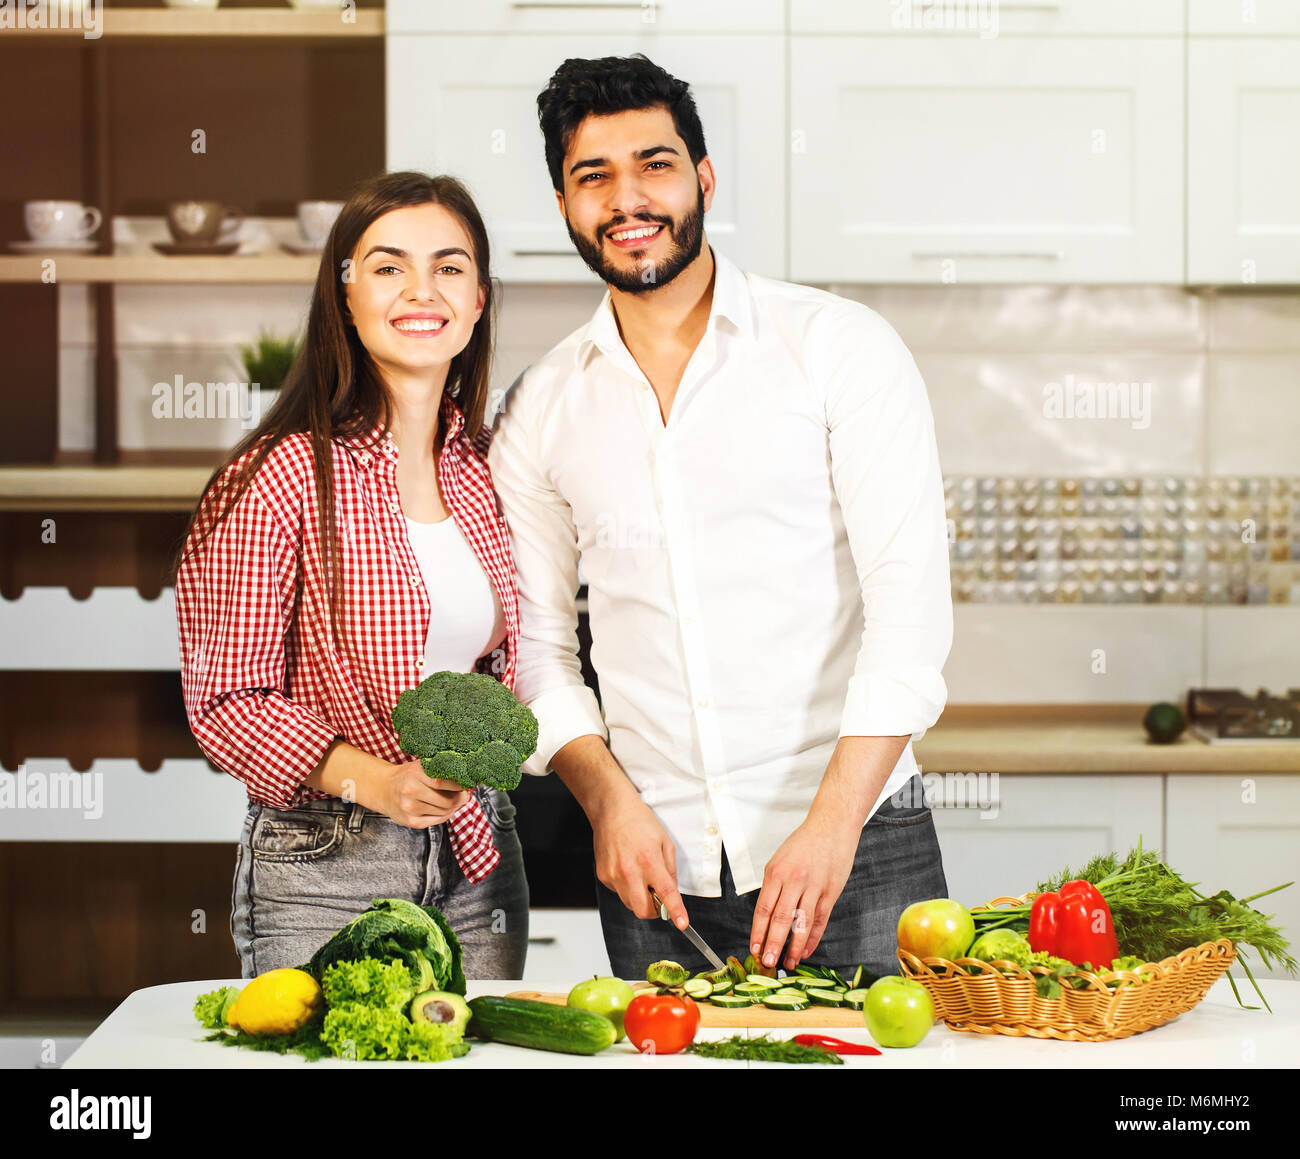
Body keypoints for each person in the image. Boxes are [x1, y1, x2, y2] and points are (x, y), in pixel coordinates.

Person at [487, 55, 953, 980]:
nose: (629, 199)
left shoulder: (836, 348)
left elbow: (910, 620)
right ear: (564, 203)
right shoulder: (540, 407)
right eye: (594, 176)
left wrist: (830, 827)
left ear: (702, 177)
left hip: (857, 842)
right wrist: (607, 799)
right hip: (654, 861)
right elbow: (536, 648)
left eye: (654, 164)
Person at [171, 171, 529, 979]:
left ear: (477, 301)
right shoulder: (279, 475)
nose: (421, 289)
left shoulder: (484, 470)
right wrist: (374, 780)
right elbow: (224, 699)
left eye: (449, 266)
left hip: (480, 854)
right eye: (388, 266)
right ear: (345, 297)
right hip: (329, 858)